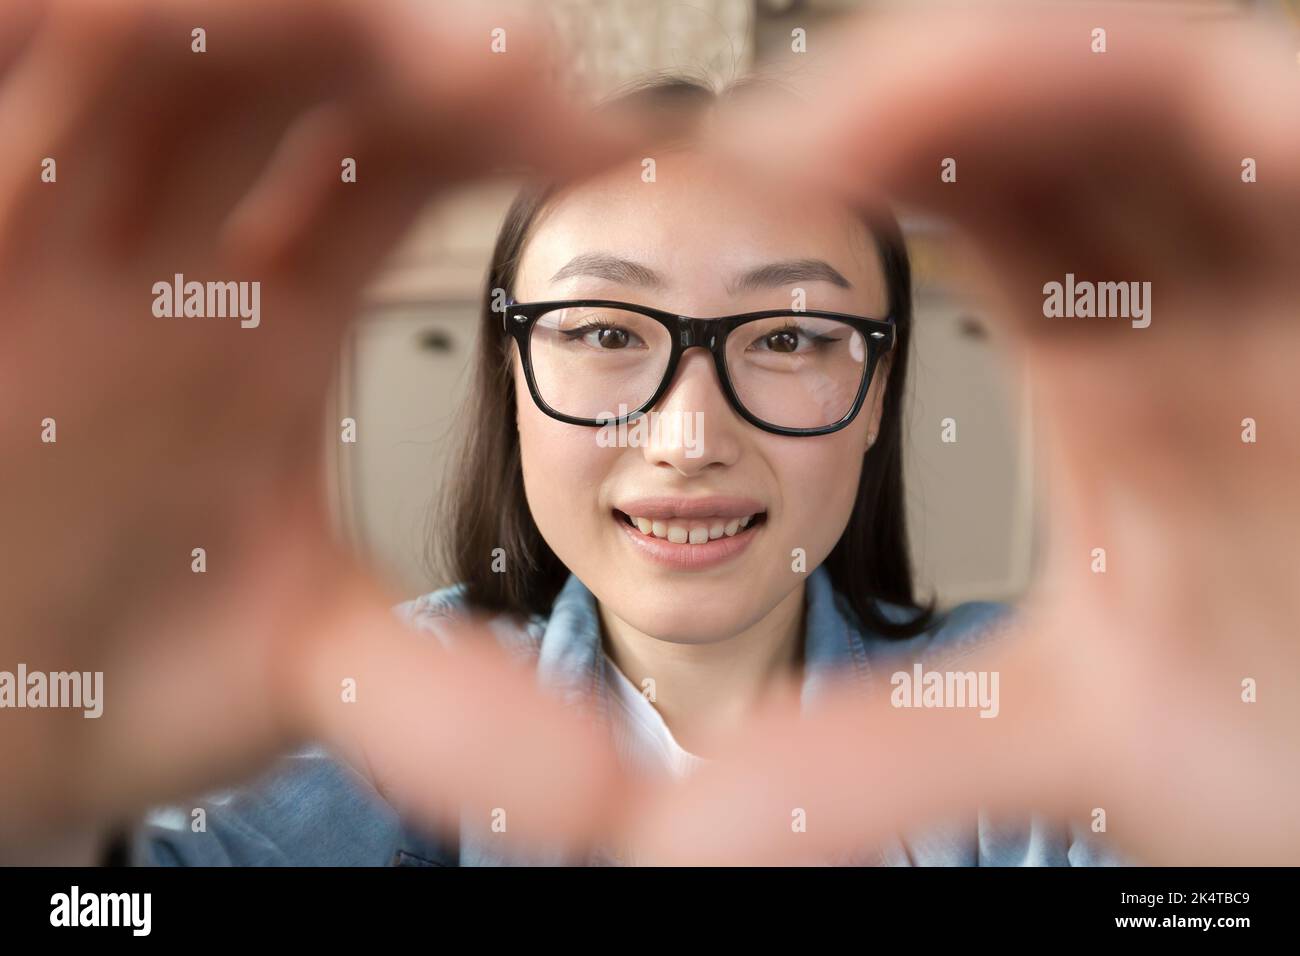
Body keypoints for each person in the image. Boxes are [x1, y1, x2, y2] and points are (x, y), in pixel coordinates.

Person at [4, 0, 1297, 867]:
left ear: (878, 402)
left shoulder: (1053, 719)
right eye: (606, 331)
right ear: (512, 376)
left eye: (788, 339)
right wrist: (44, 806)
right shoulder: (368, 720)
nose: (688, 437)